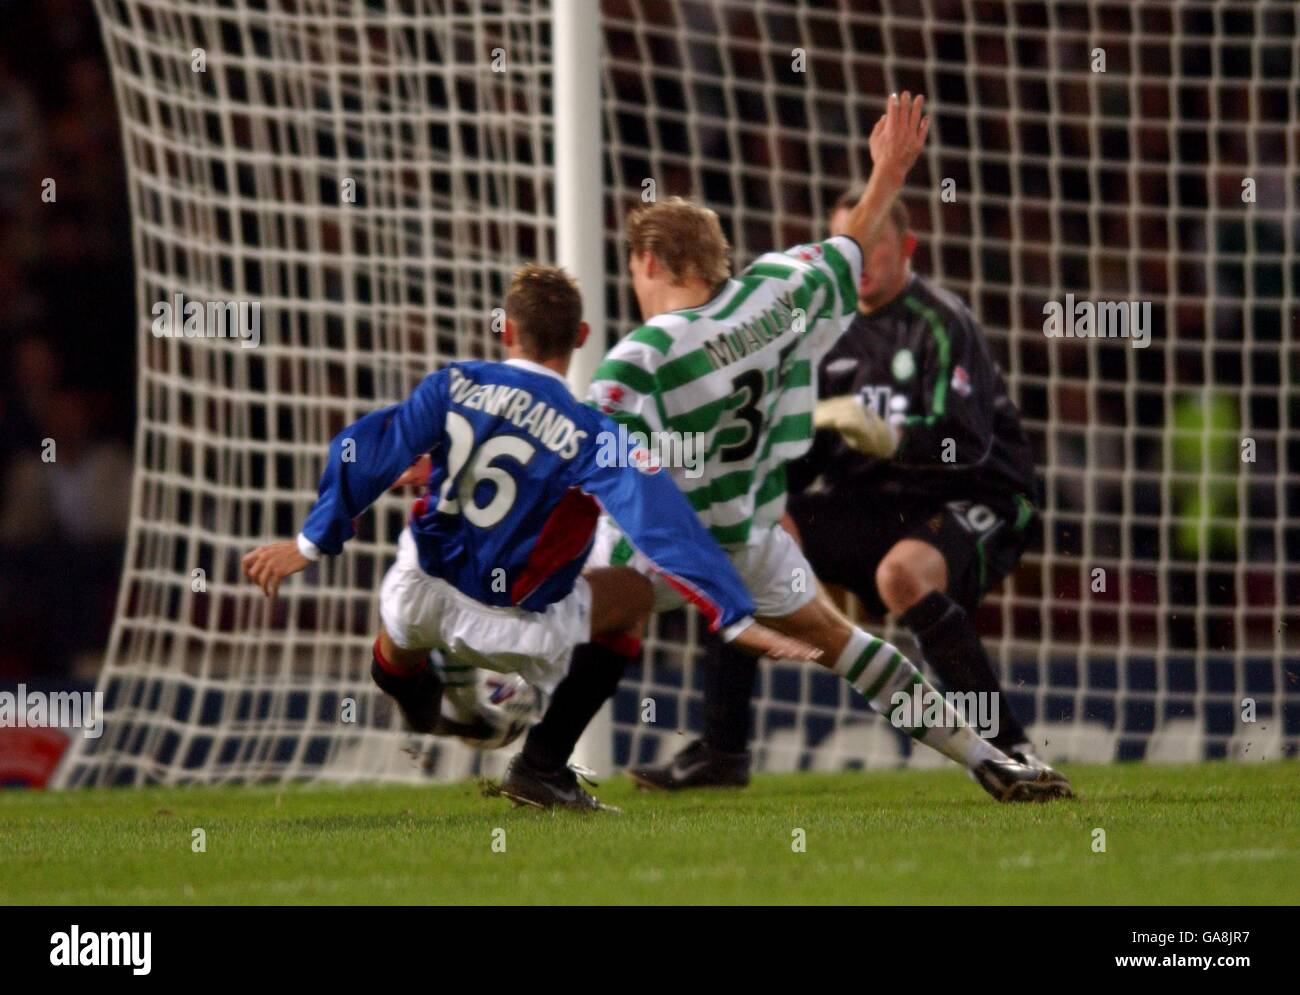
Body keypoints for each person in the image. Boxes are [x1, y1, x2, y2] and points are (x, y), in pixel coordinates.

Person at [500, 93, 1071, 810]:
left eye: (635, 267)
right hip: (747, 537)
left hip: (669, 544)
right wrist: (889, 169)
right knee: (859, 653)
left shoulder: (642, 354)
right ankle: (990, 758)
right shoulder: (777, 294)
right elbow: (857, 238)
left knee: (566, 601)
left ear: (650, 261)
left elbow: (572, 443)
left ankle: (491, 701)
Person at [242, 264, 820, 769]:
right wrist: (732, 612)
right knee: (635, 598)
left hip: (419, 592)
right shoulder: (594, 431)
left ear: (507, 330)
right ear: (582, 337)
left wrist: (312, 543)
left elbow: (367, 445)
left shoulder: (452, 384)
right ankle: (537, 760)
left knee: (403, 626)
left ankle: (420, 705)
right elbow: (659, 518)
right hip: (515, 630)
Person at [629, 192, 1070, 792]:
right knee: (748, 533)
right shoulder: (827, 332)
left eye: (875, 245)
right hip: (874, 504)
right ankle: (724, 752)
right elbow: (806, 450)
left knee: (903, 575)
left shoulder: (942, 320)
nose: (861, 261)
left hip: (978, 497)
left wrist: (891, 438)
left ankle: (1009, 745)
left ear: (906, 247)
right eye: (853, 246)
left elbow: (968, 441)